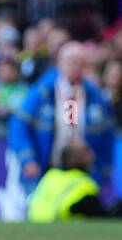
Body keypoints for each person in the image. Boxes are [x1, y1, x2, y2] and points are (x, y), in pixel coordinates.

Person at [8, 41, 114, 191]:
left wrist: (104, 167)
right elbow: (19, 124)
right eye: (70, 61)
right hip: (48, 163)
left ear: (86, 66)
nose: (75, 66)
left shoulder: (96, 96)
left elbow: (107, 134)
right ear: (59, 63)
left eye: (79, 62)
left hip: (83, 170)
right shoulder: (42, 91)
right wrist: (27, 158)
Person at [26, 143, 121, 221]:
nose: (92, 156)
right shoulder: (85, 183)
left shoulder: (50, 175)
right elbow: (102, 217)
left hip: (34, 223)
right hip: (62, 228)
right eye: (86, 153)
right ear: (72, 160)